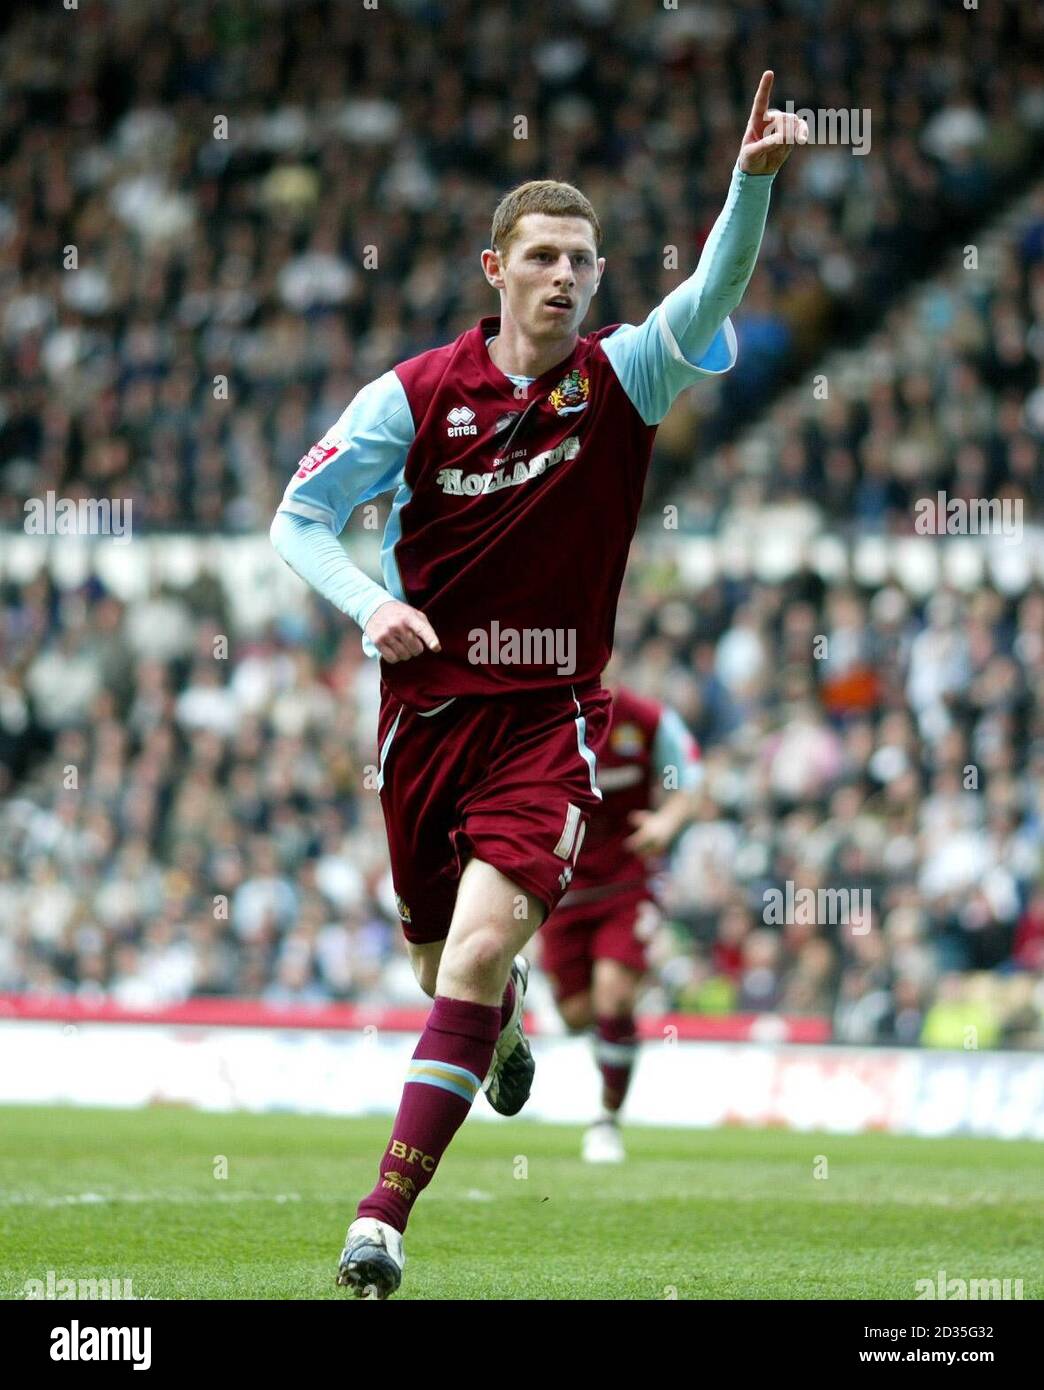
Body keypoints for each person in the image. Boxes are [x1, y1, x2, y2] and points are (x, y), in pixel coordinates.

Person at [270, 72, 805, 1298]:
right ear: (494, 267)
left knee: (463, 962)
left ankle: (381, 1217)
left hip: (552, 717)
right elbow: (299, 523)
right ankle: (505, 1026)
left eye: (585, 261)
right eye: (545, 257)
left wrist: (750, 186)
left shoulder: (628, 378)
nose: (567, 277)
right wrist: (375, 604)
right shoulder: (413, 397)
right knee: (439, 970)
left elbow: (714, 287)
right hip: (425, 720)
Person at [539, 681, 702, 1162]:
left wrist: (667, 823)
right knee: (575, 1014)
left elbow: (691, 777)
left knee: (614, 992)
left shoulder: (646, 719)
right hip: (562, 888)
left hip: (627, 884)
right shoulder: (539, 713)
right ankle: (614, 1037)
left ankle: (606, 1121)